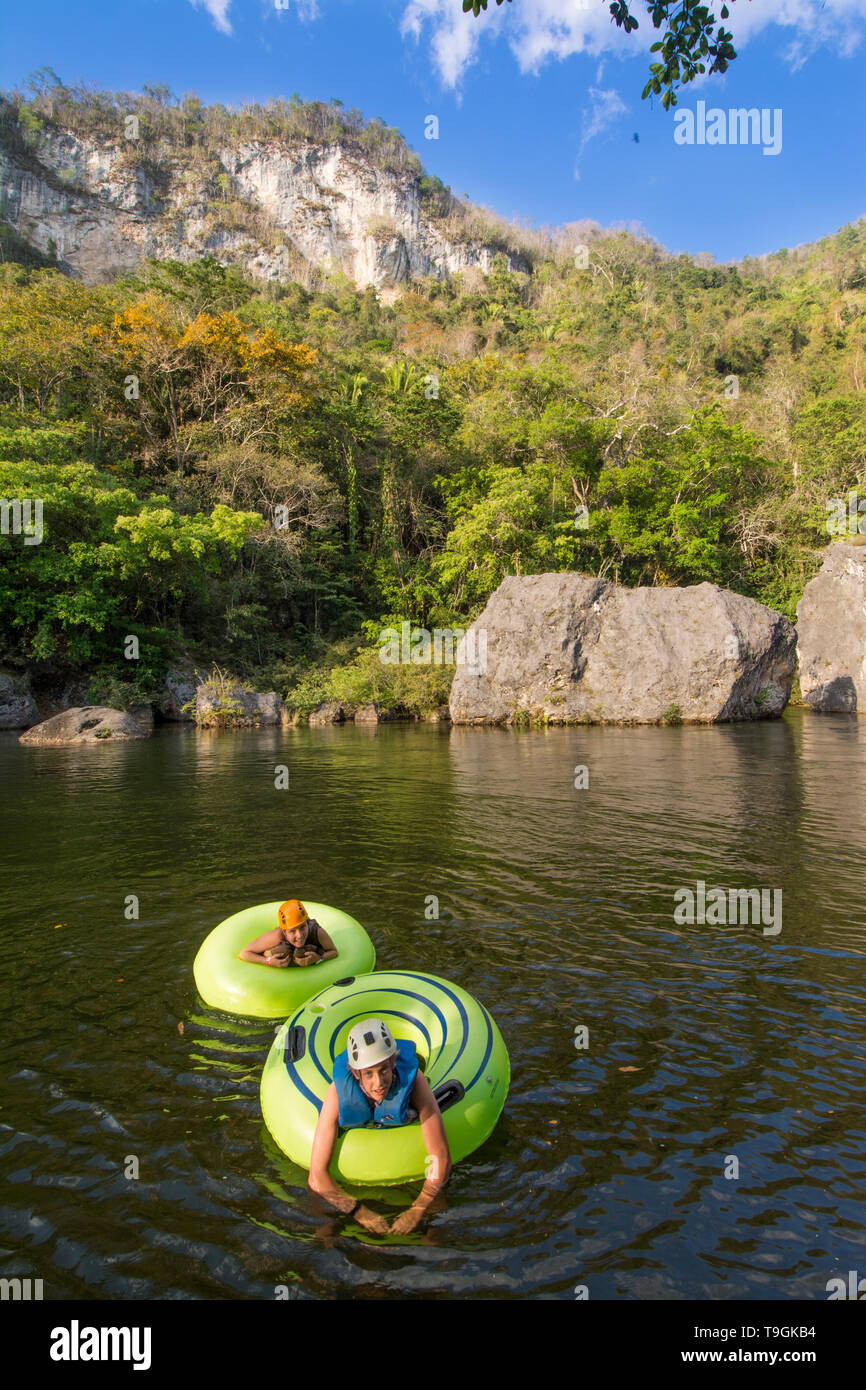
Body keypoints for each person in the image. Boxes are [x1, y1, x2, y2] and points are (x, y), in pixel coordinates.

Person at [308, 1018, 451, 1235]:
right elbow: (317, 1177)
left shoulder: (414, 1082)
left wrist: (418, 1208)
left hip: (411, 1184)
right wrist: (359, 1212)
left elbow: (441, 1157)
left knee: (436, 1226)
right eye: (368, 1074)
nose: (379, 1082)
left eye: (384, 1070)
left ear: (394, 1062)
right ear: (356, 1074)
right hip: (358, 1200)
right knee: (325, 1231)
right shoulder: (337, 1093)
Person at [239, 900, 338, 969]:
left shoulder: (317, 931)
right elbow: (245, 953)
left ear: (307, 923)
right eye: (292, 931)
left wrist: (319, 958)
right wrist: (268, 961)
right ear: (284, 931)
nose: (299, 935)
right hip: (281, 950)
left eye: (302, 927)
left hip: (310, 951)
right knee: (282, 950)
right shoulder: (277, 936)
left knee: (308, 949)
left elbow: (334, 951)